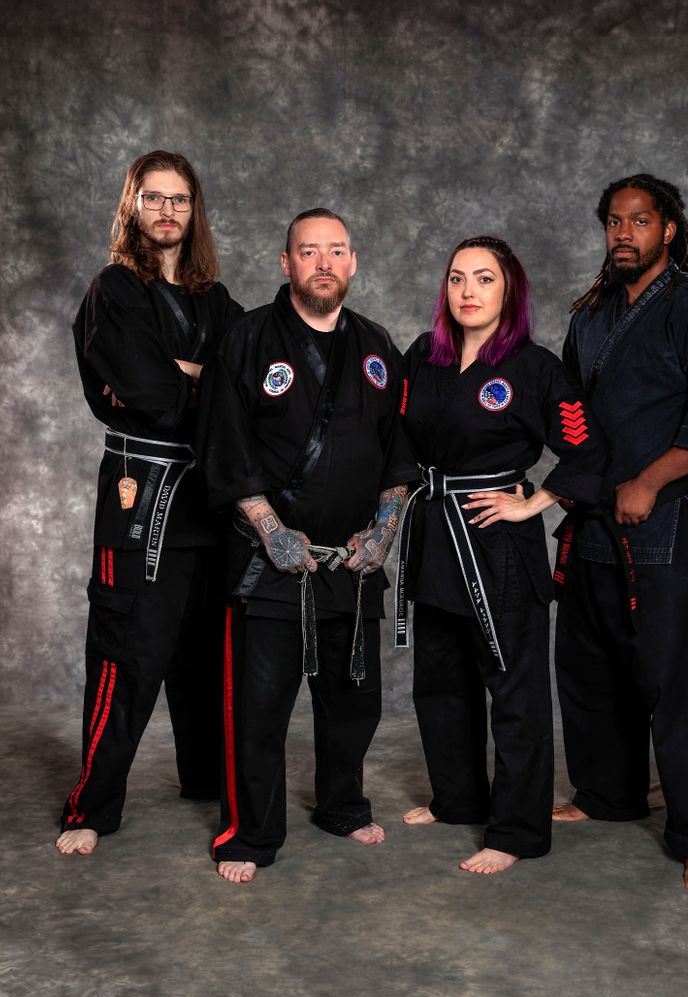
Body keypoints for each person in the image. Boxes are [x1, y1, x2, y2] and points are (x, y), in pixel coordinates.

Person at [196, 208, 419, 883]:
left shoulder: (377, 345)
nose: (324, 263)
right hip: (266, 564)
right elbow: (223, 446)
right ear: (286, 263)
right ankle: (250, 833)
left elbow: (398, 452)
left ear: (353, 263)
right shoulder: (247, 339)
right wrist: (270, 529)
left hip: (351, 563)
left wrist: (384, 532)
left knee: (354, 703)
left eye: (336, 251)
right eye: (309, 251)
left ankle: (342, 807)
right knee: (259, 709)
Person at [552, 174, 688, 892]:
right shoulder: (591, 315)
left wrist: (648, 480)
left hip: (669, 521)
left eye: (639, 221)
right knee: (591, 667)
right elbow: (571, 411)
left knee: (675, 680)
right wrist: (570, 479)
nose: (624, 233)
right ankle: (609, 793)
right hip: (595, 519)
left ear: (668, 229)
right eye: (614, 221)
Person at [397, 236, 607, 874]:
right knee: (440, 681)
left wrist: (533, 501)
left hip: (497, 545)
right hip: (434, 531)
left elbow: (587, 448)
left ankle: (516, 829)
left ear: (509, 289)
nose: (468, 291)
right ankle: (457, 799)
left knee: (513, 689)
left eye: (484, 279)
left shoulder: (535, 368)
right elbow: (393, 435)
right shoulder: (423, 356)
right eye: (458, 278)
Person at [56, 151, 243, 857]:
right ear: (132, 206)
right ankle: (92, 806)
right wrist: (189, 380)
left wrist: (188, 377)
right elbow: (147, 390)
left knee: (204, 654)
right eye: (155, 198)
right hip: (142, 499)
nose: (168, 211)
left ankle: (203, 778)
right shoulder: (114, 290)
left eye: (180, 200)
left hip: (211, 502)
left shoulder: (214, 300)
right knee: (126, 654)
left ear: (195, 211)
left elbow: (247, 383)